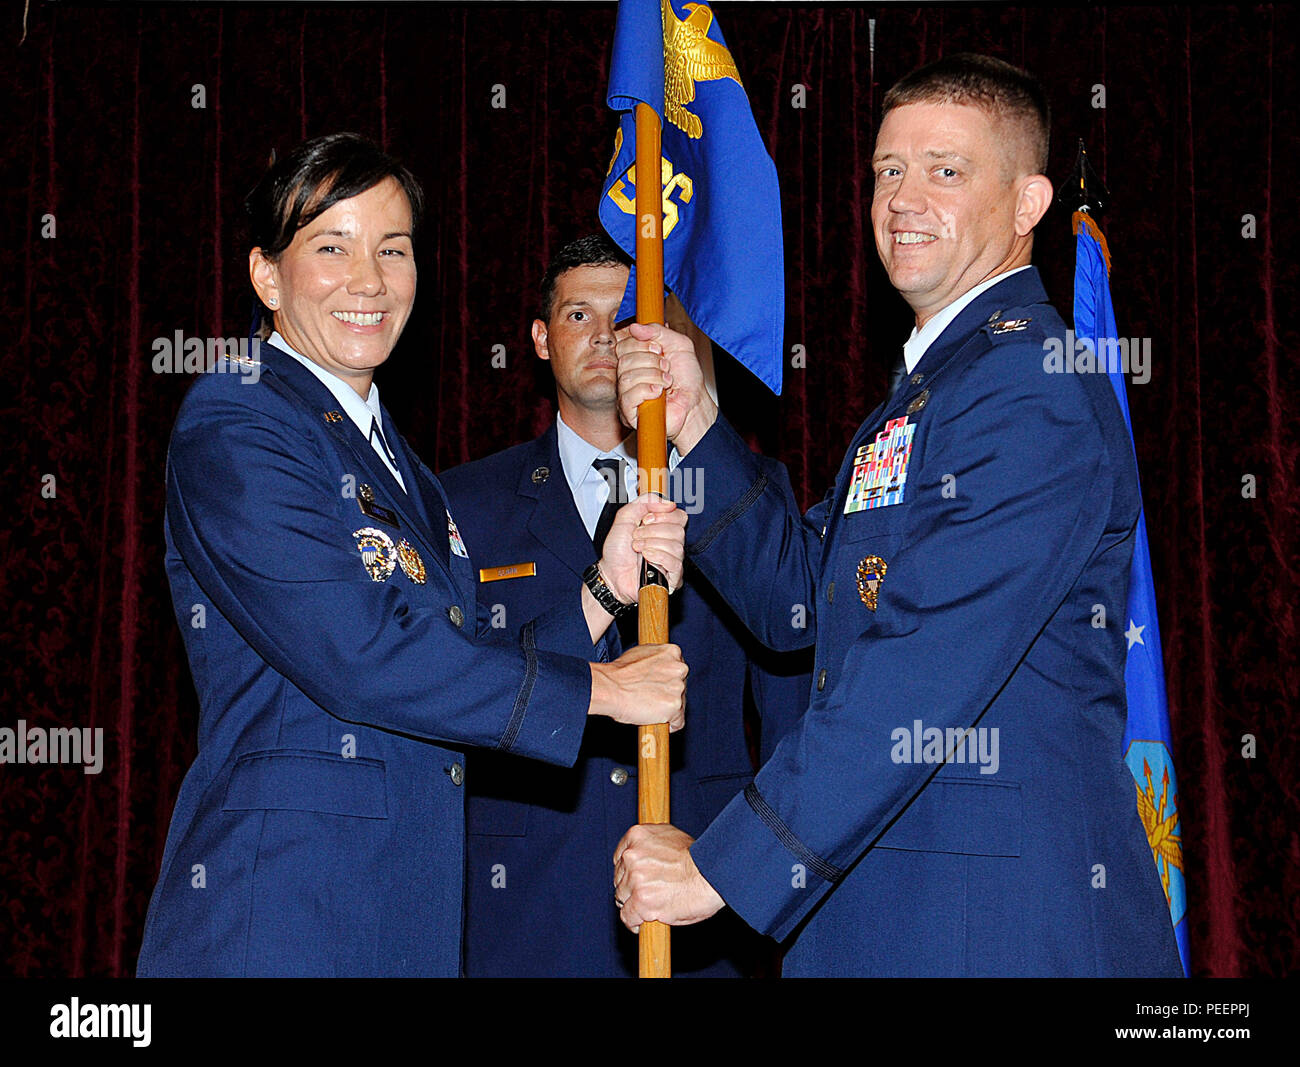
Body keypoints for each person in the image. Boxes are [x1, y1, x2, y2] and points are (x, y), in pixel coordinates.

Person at [611, 54, 1185, 977]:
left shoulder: (1029, 388)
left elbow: (922, 659)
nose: (904, 199)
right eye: (888, 171)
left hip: (993, 933)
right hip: (896, 919)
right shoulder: (931, 393)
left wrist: (727, 864)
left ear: (1029, 203)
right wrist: (696, 427)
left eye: (946, 171)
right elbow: (800, 595)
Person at [135, 133, 690, 977]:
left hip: (403, 924)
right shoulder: (237, 418)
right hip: (281, 923)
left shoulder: (410, 476)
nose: (368, 280)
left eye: (392, 250)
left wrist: (601, 595)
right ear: (266, 276)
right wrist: (607, 690)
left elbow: (455, 667)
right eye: (332, 247)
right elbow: (363, 653)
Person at [439, 234, 809, 977]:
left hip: (702, 898)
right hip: (528, 908)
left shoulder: (739, 493)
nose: (607, 334)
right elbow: (453, 691)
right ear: (541, 340)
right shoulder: (465, 503)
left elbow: (791, 704)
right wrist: (597, 607)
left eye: (629, 314)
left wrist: (764, 869)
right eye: (580, 314)